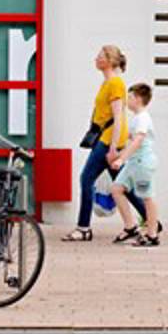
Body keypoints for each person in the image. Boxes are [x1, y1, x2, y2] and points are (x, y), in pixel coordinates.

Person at [63, 45, 147, 242]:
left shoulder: (116, 84)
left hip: (108, 141)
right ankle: (151, 220)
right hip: (105, 138)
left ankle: (83, 228)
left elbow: (119, 117)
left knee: (86, 179)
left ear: (109, 60)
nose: (96, 58)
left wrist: (112, 148)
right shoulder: (107, 83)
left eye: (100, 56)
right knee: (122, 184)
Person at [109, 83, 160, 247]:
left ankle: (152, 235)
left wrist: (121, 159)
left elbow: (138, 140)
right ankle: (130, 227)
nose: (127, 100)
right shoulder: (137, 118)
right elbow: (132, 141)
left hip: (142, 163)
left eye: (130, 97)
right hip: (133, 163)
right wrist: (119, 154)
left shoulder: (143, 118)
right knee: (116, 189)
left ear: (138, 99)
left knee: (147, 197)